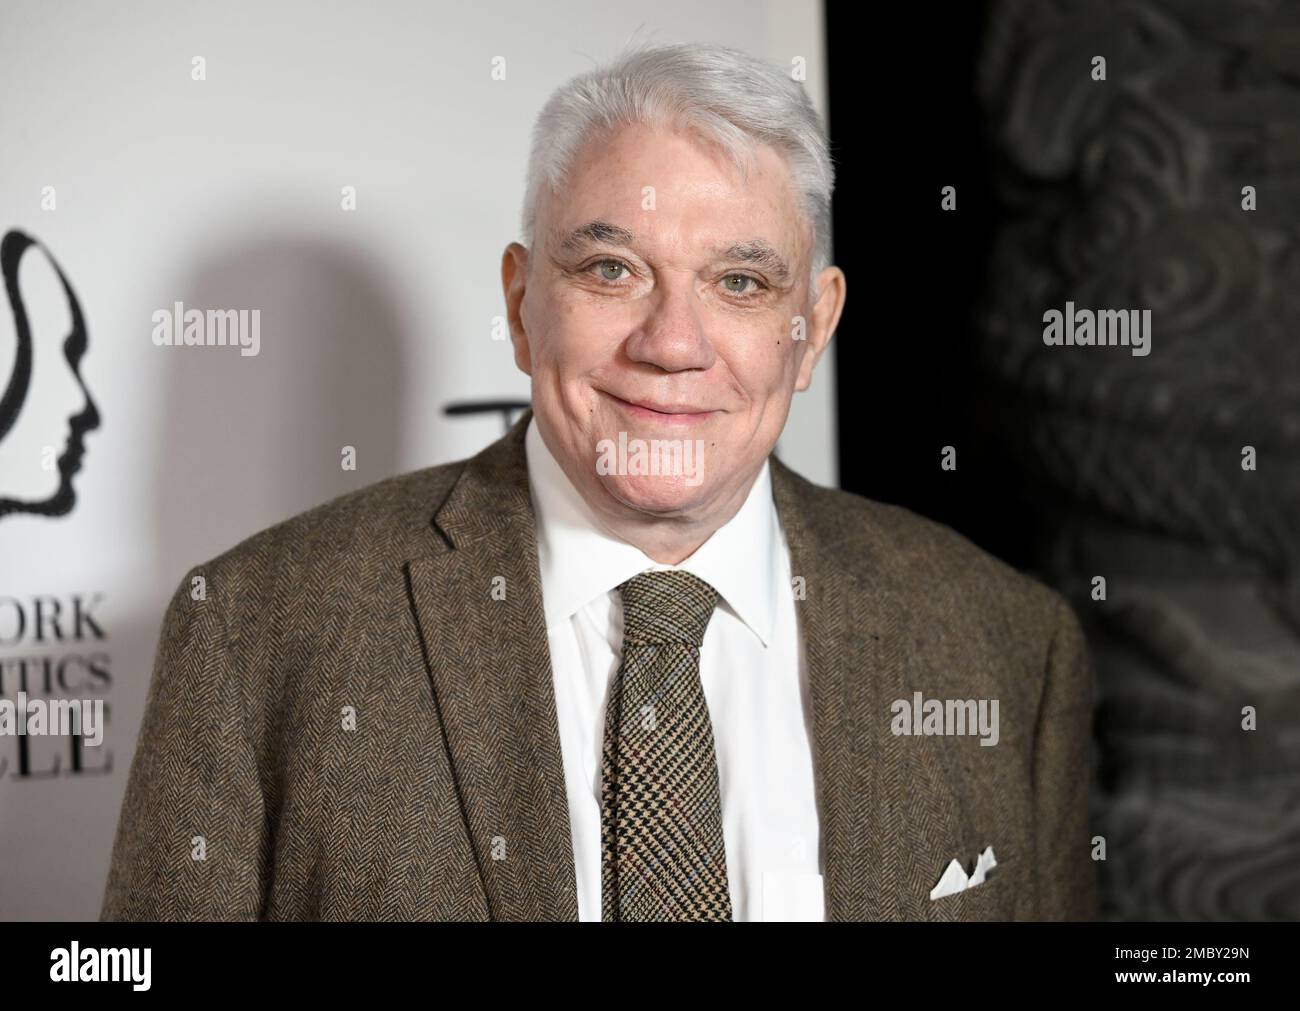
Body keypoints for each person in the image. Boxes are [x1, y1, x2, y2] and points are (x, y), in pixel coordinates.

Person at [101, 40, 1095, 922]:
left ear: (814, 328)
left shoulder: (1002, 643)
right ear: (522, 300)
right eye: (612, 270)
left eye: (740, 283)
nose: (672, 344)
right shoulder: (258, 632)